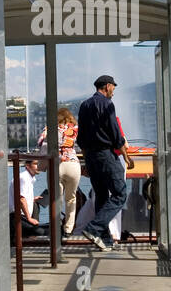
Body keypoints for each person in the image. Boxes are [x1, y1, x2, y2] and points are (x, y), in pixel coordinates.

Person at [76, 74, 126, 251]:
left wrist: (87, 157)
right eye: (113, 86)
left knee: (101, 195)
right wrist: (124, 152)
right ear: (107, 86)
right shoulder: (107, 104)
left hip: (90, 156)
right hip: (106, 155)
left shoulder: (84, 105)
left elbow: (80, 137)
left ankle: (104, 239)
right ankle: (94, 228)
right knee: (120, 194)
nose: (114, 90)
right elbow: (115, 133)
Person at [38, 106, 81, 236]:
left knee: (56, 198)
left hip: (56, 164)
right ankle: (68, 229)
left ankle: (56, 227)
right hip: (73, 164)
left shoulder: (50, 127)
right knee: (71, 198)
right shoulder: (75, 128)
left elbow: (40, 141)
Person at [9, 157, 43, 236]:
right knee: (42, 233)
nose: (38, 166)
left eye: (39, 164)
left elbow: (23, 197)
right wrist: (29, 219)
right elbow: (21, 199)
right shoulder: (24, 178)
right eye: (35, 164)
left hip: (22, 216)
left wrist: (32, 199)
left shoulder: (30, 178)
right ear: (27, 166)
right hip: (17, 217)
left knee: (42, 230)